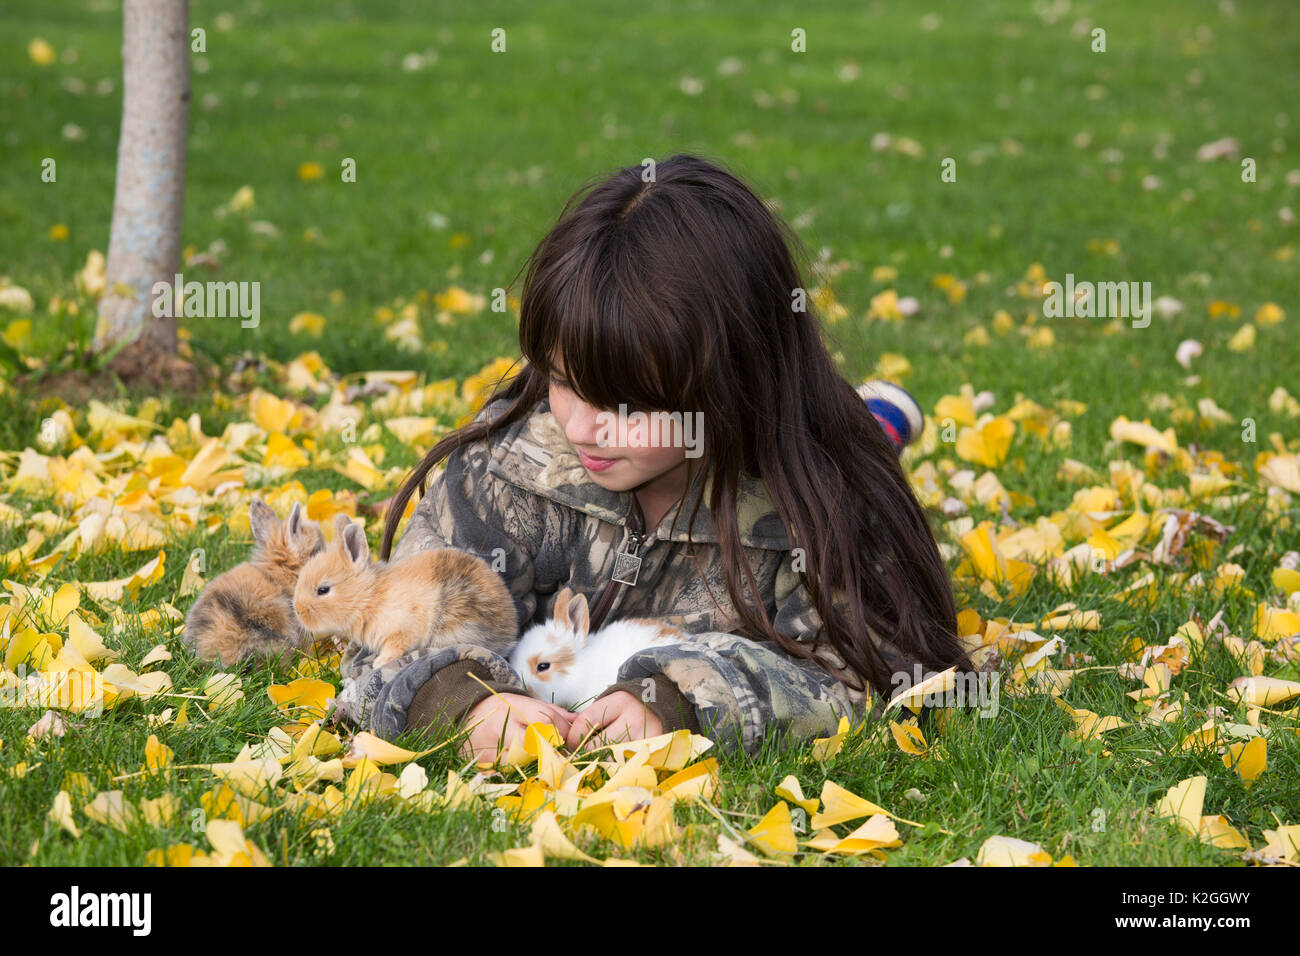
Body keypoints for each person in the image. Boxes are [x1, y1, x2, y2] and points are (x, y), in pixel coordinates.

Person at [332, 152, 972, 764]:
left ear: (730, 378)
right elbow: (393, 631)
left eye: (625, 404)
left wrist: (680, 701)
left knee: (850, 440)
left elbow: (874, 672)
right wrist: (461, 701)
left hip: (796, 442)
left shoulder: (821, 500)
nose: (583, 427)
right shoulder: (512, 467)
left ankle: (874, 423)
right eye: (560, 379)